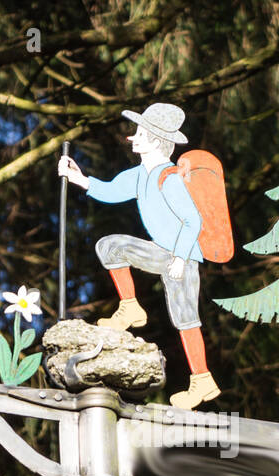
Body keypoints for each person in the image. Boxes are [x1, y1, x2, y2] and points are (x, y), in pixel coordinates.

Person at [58, 103, 220, 410]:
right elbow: (110, 190)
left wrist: (180, 259)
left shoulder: (168, 178)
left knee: (186, 321)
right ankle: (131, 308)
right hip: (160, 252)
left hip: (181, 258)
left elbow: (192, 221)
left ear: (157, 140)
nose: (133, 138)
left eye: (141, 133)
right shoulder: (139, 175)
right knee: (110, 245)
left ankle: (202, 381)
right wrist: (79, 177)